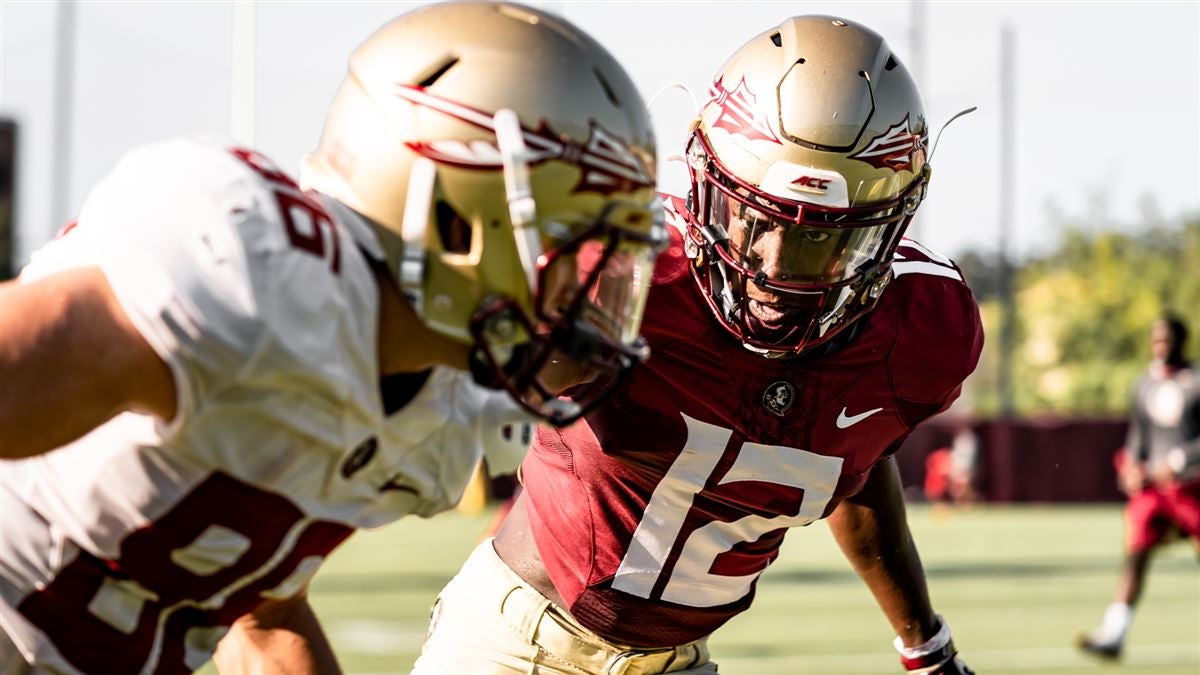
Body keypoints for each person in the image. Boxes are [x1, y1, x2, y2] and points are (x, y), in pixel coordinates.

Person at [0, 3, 666, 673]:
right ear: (457, 221)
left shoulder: (435, 412)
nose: (587, 301)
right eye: (571, 252)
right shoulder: (250, 269)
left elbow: (262, 616)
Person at [414, 14, 983, 675]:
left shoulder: (921, 325)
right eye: (753, 218)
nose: (772, 266)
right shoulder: (626, 270)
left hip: (675, 662)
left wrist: (926, 643)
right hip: (517, 645)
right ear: (708, 183)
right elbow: (480, 372)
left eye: (822, 237)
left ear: (887, 230)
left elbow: (856, 456)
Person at [1077, 313, 1200, 660]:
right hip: (1155, 491)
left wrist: (1176, 462)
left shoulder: (1196, 382)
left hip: (1192, 486)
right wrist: (1132, 464)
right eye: (1156, 339)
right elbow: (1138, 437)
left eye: (1167, 340)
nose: (1160, 346)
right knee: (1136, 551)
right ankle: (1114, 633)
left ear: (1181, 341)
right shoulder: (1145, 383)